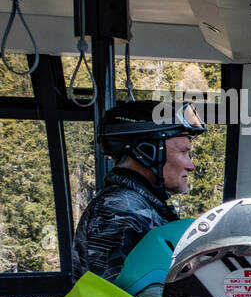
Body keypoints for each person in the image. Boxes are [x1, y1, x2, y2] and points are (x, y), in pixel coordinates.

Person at [71, 99, 205, 282]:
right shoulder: (120, 209)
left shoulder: (139, 204)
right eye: (183, 152)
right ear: (149, 150)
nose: (191, 166)